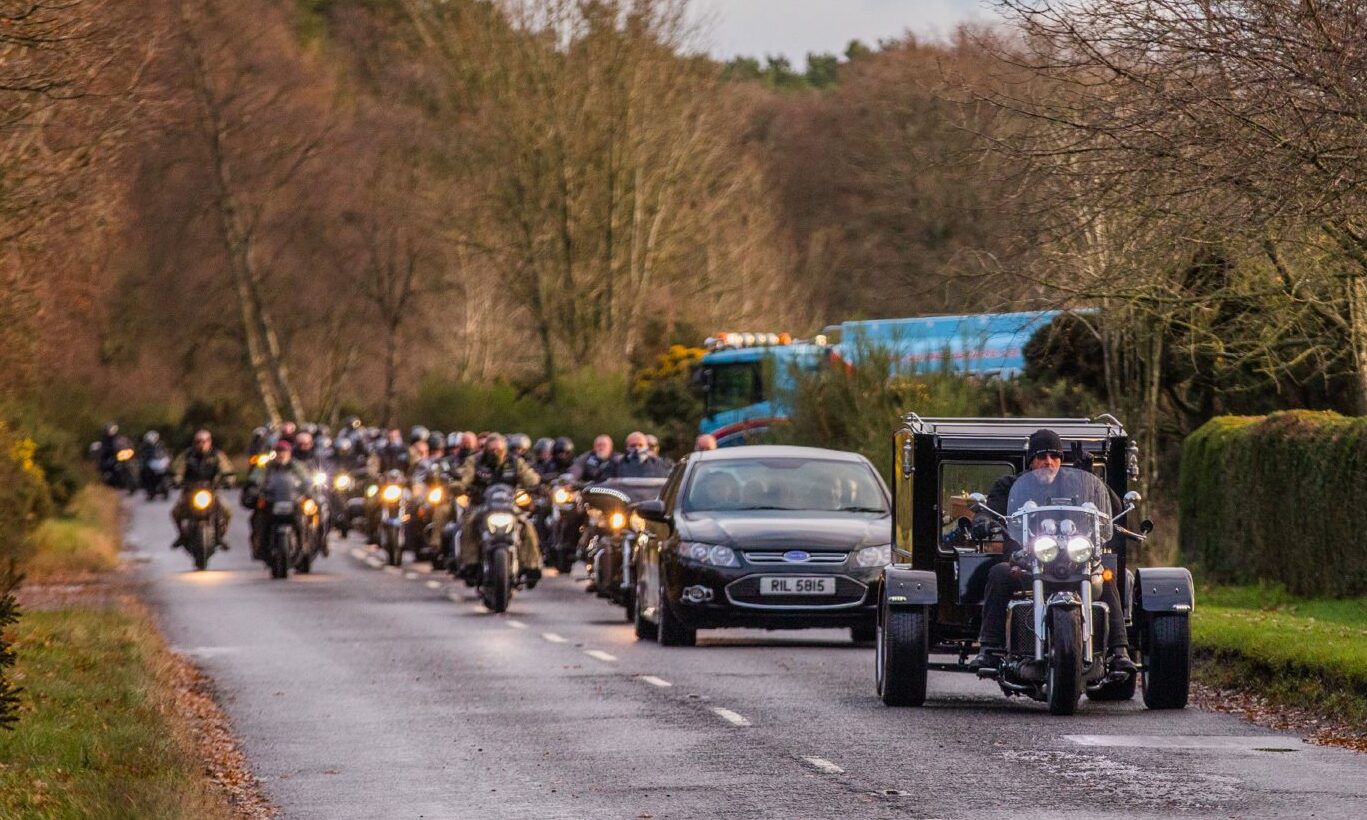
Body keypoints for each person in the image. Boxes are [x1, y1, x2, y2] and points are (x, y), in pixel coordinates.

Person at [969, 429, 1135, 675]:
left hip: (1073, 560)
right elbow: (990, 509)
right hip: (1025, 561)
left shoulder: (1075, 483)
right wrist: (983, 521)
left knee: (1105, 576)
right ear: (1031, 460)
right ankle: (989, 648)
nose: (1048, 461)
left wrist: (1091, 476)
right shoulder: (1010, 485)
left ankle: (1119, 651)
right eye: (1041, 456)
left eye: (1054, 456)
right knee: (1000, 573)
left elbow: (1114, 507)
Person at [452, 433, 542, 585]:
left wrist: (537, 485)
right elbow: (465, 478)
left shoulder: (515, 462)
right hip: (481, 504)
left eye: (499, 450)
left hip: (509, 505)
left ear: (505, 450)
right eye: (492, 449)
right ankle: (470, 563)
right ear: (486, 449)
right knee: (468, 523)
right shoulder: (474, 461)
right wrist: (461, 486)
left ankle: (531, 566)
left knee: (527, 526)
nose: (496, 453)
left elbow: (530, 478)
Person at [245, 440, 312, 559]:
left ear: (289, 453)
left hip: (292, 500)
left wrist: (307, 488)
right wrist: (254, 487)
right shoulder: (267, 466)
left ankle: (304, 544)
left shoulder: (295, 465)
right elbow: (256, 478)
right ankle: (258, 545)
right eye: (279, 451)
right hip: (272, 500)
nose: (282, 454)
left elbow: (306, 479)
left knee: (304, 518)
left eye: (284, 451)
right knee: (257, 518)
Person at [170, 429, 236, 550]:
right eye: (198, 441)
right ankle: (181, 535)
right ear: (194, 443)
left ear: (210, 442)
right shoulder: (187, 455)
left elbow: (227, 469)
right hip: (190, 492)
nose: (202, 444)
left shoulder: (217, 455)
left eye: (205, 441)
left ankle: (221, 536)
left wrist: (228, 480)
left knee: (228, 511)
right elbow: (178, 470)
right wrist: (176, 479)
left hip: (212, 491)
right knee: (175, 512)